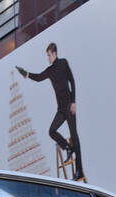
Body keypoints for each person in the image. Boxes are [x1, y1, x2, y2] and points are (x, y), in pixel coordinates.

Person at [17, 43, 84, 181]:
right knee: (51, 131)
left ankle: (79, 171)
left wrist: (74, 102)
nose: (47, 58)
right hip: (60, 109)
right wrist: (27, 74)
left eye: (48, 55)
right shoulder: (50, 70)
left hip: (69, 106)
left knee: (74, 135)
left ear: (54, 53)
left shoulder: (63, 63)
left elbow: (72, 81)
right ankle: (68, 148)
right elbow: (38, 77)